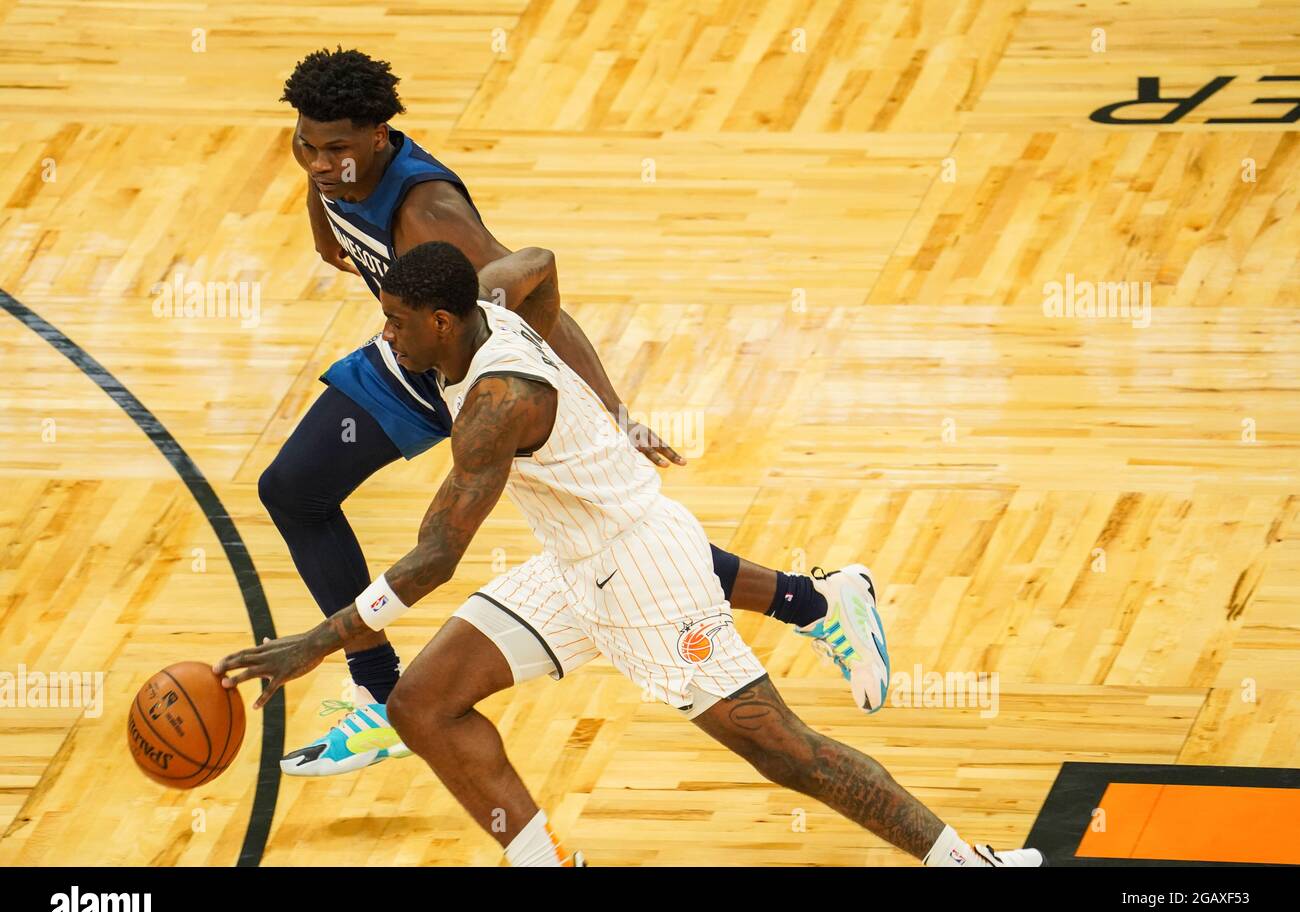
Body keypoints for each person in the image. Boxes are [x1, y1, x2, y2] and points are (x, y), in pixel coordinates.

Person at [217, 241, 1043, 868]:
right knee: (422, 705)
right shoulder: (485, 306)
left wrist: (320, 642)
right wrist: (609, 410)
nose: (384, 334)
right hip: (571, 566)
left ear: (440, 320)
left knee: (778, 748)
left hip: (645, 570)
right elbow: (537, 263)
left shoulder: (496, 401)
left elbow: (435, 556)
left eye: (395, 320)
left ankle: (965, 862)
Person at [265, 48, 884, 776]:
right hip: (407, 351)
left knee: (617, 546)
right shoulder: (330, 167)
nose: (317, 161)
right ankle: (814, 600)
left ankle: (383, 698)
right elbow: (330, 236)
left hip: (466, 371)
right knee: (295, 492)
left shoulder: (431, 212)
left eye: (335, 148)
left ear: (379, 136)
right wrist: (322, 187)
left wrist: (611, 407)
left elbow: (529, 295)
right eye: (306, 143)